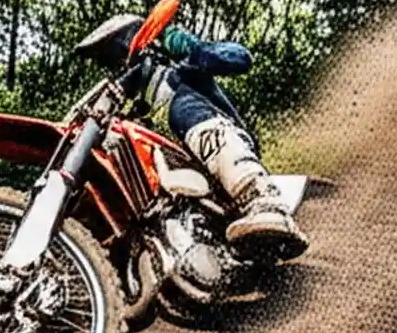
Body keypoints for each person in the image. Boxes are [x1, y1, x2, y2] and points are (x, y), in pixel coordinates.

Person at [73, 14, 309, 262]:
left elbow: (241, 58)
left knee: (181, 106)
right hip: (186, 191)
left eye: (115, 56)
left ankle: (261, 196)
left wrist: (192, 49)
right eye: (111, 63)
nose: (118, 67)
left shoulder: (181, 71)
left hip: (226, 150)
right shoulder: (134, 110)